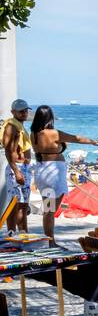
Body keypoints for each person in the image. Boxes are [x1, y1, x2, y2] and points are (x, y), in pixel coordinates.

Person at [29, 105, 98, 239]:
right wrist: (93, 142)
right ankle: (50, 241)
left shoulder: (33, 134)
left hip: (42, 171)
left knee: (48, 209)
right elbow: (77, 138)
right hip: (53, 173)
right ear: (49, 118)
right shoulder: (54, 133)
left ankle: (48, 239)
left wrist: (61, 146)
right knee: (50, 210)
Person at [2, 99, 33, 234]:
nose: (24, 113)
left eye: (26, 110)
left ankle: (22, 234)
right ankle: (14, 233)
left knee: (22, 205)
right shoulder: (11, 126)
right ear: (13, 112)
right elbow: (8, 150)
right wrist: (16, 171)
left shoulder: (19, 125)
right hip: (17, 168)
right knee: (16, 204)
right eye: (21, 111)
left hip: (23, 168)